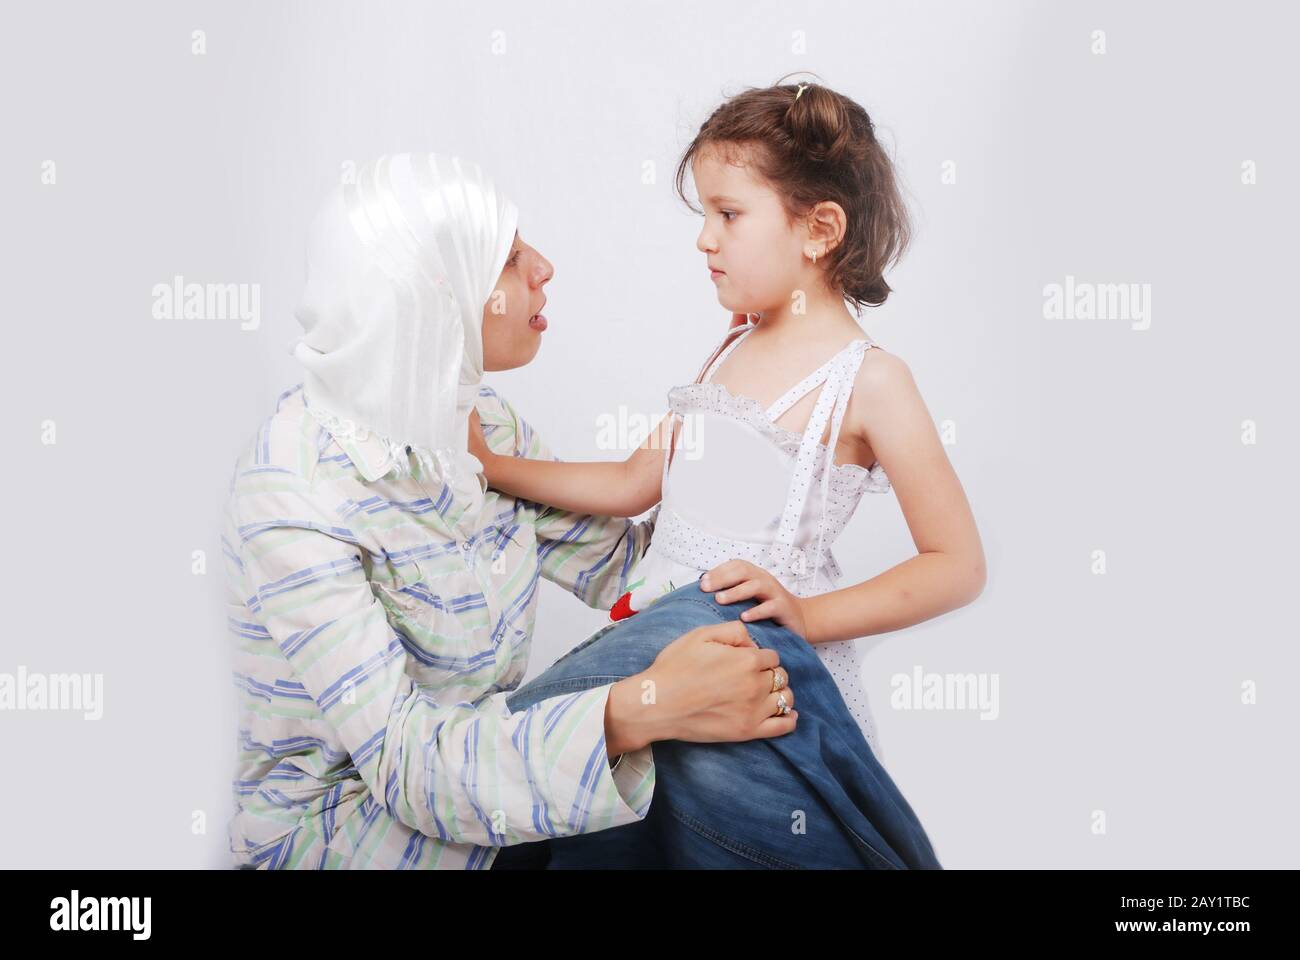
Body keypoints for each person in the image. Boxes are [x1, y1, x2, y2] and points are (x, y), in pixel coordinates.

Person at [221, 152, 799, 869]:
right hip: (355, 838)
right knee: (694, 737)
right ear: (430, 294)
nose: (544, 267)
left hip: (492, 796)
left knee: (738, 707)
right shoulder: (293, 489)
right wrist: (647, 705)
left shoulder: (478, 426)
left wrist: (743, 390)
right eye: (509, 256)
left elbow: (633, 574)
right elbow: (409, 769)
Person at [471, 77, 987, 768]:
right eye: (704, 215)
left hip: (764, 680)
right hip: (678, 660)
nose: (704, 239)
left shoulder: (870, 382)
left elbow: (957, 566)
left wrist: (807, 618)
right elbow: (632, 482)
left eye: (729, 214)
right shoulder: (733, 344)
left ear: (820, 230)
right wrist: (495, 467)